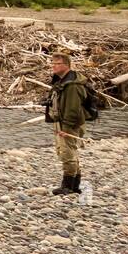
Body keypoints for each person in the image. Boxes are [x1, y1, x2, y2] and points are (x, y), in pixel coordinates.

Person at [45, 52, 88, 196]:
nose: (53, 66)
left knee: (67, 153)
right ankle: (75, 185)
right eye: (52, 63)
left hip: (68, 125)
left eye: (56, 64)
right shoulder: (62, 81)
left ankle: (68, 186)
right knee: (69, 151)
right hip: (62, 122)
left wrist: (66, 128)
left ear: (65, 65)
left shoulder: (72, 85)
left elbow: (73, 109)